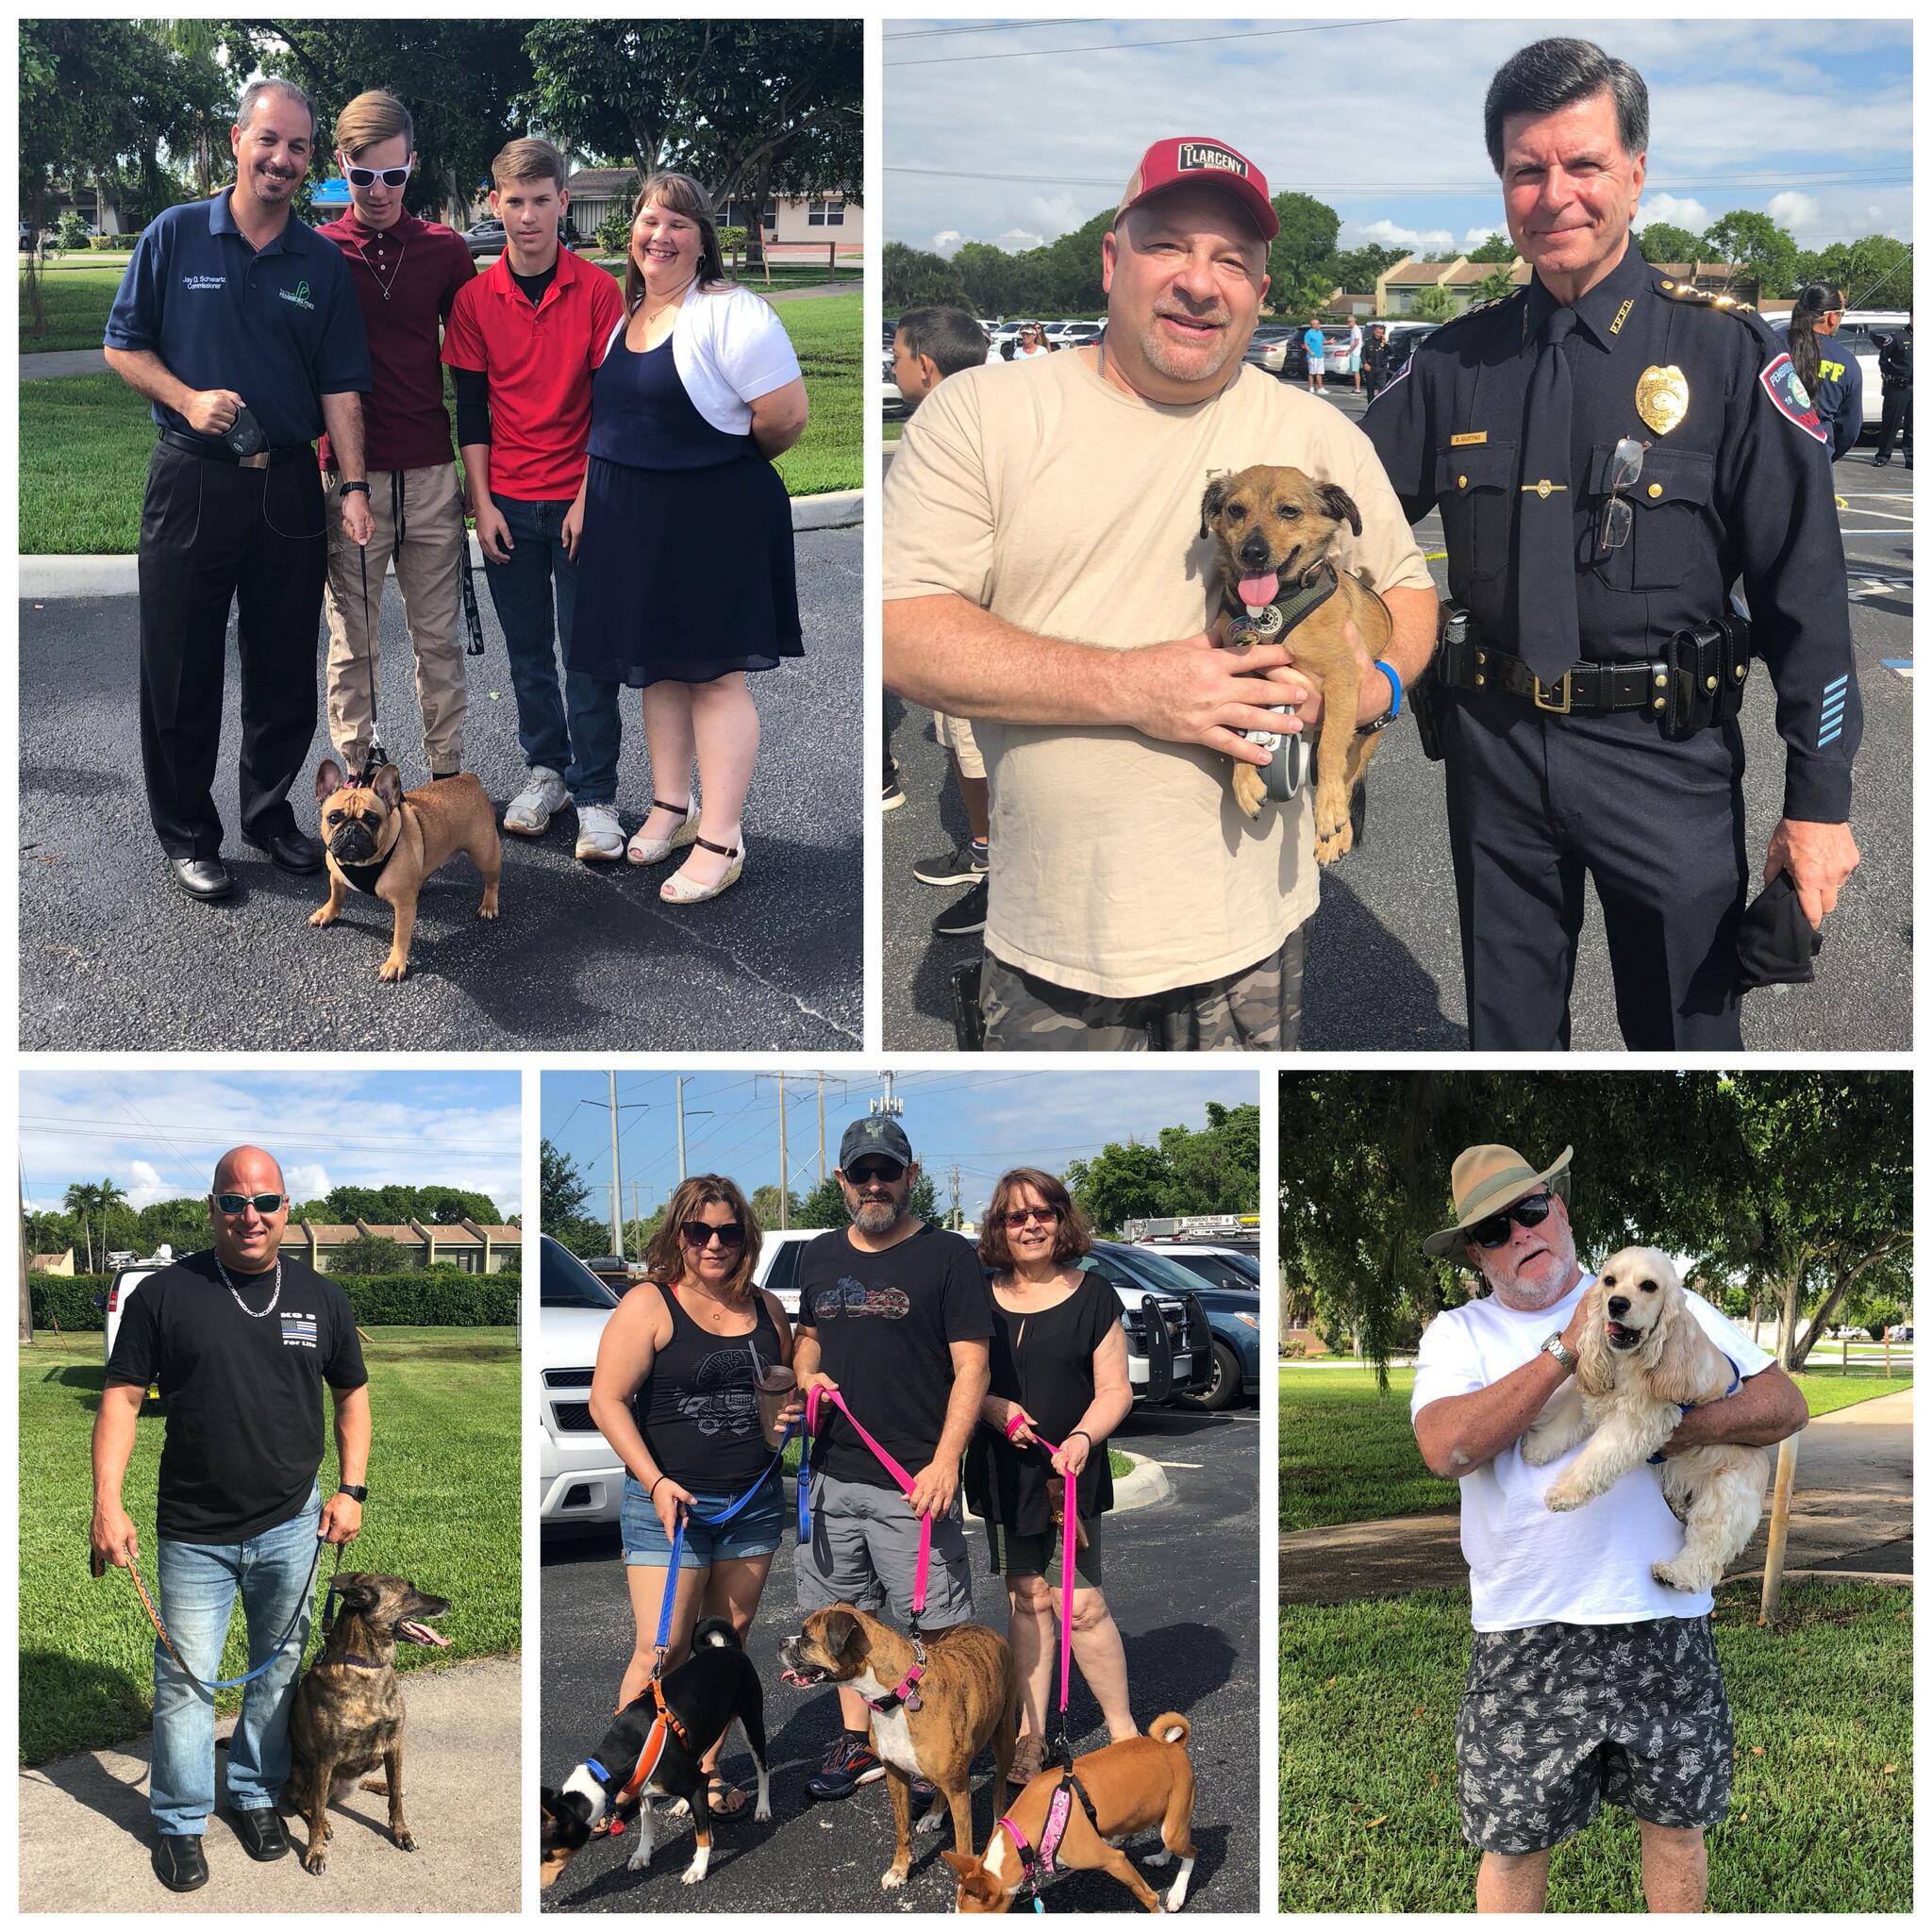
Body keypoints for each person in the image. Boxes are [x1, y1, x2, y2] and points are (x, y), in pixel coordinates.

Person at [882, 134, 1438, 1050]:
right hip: (1053, 946)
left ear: (1259, 289)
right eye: (1167, 245)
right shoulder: (981, 414)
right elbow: (902, 627)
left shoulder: (1310, 431)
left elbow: (1410, 593)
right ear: (1111, 259)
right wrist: (1137, 685)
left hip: (1255, 934)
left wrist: (1367, 692)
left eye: (1230, 259)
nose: (1198, 279)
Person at [1364, 38, 1862, 1051]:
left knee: (1682, 1045)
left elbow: (1803, 596)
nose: (1555, 195)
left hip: (1660, 758)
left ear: (1634, 171)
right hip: (1492, 752)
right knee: (1505, 1052)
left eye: (1582, 164)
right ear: (1501, 182)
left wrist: (1818, 802)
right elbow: (1327, 498)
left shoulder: (1726, 354)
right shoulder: (1453, 363)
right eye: (1525, 169)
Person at [1409, 1141, 1808, 1912]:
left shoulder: (1663, 1299)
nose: (1521, 1234)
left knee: (1678, 1828)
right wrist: (1566, 1349)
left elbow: (1783, 1407)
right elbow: (1446, 1447)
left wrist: (1665, 1432)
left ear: (1559, 1210)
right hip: (1527, 1628)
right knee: (1516, 1843)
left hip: (1664, 1621)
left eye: (1531, 1211)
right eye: (1496, 1230)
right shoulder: (1456, 1335)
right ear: (1475, 1253)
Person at [104, 78, 374, 904]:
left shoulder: (321, 263)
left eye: (297, 148)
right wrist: (185, 398)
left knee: (284, 661)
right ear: (236, 140)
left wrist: (353, 484)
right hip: (191, 478)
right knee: (180, 666)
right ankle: (188, 833)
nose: (281, 160)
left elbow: (340, 388)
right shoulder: (176, 234)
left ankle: (267, 814)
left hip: (289, 482)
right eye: (269, 141)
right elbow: (122, 345)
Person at [92, 1145, 369, 1892]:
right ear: (212, 1207)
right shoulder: (163, 1295)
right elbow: (120, 1398)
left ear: (287, 1209)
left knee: (278, 1669)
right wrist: (106, 1503)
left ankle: (252, 1792)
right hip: (194, 1533)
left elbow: (351, 1396)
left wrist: (353, 1489)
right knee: (187, 1681)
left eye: (266, 1201)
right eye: (234, 1201)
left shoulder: (321, 1297)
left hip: (293, 1524)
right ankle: (180, 1820)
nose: (251, 1215)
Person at [570, 173, 808, 902]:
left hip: (713, 521)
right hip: (629, 520)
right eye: (648, 220)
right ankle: (672, 807)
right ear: (631, 234)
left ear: (704, 239)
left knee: (714, 678)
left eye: (678, 222)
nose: (659, 235)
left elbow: (786, 416)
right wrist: (586, 498)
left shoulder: (732, 313)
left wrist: (717, 472)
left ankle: (721, 837)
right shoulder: (628, 315)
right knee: (657, 669)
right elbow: (609, 429)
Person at [791, 1115, 992, 1799]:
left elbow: (972, 1368)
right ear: (840, 1181)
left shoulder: (948, 1258)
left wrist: (944, 1464)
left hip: (914, 1482)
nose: (873, 1185)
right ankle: (860, 1743)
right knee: (839, 1620)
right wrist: (806, 1374)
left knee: (934, 1624)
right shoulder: (817, 1254)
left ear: (912, 1175)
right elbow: (810, 1338)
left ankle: (943, 1744)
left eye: (888, 1171)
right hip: (831, 1476)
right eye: (860, 1173)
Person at [586, 1174, 799, 1816]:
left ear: (745, 1239)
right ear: (678, 1233)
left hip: (751, 1504)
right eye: (698, 1230)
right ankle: (619, 1783)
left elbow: (776, 1408)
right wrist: (654, 1481)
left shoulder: (767, 1311)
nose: (713, 1244)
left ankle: (703, 1772)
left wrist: (785, 1421)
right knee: (662, 1649)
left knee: (723, 1650)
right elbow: (607, 1399)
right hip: (668, 1508)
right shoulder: (649, 1304)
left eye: (728, 1232)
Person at [441, 139, 626, 857]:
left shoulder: (598, 291)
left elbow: (610, 410)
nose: (527, 217)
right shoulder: (473, 300)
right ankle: (546, 771)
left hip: (581, 500)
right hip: (508, 503)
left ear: (562, 204)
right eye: (513, 202)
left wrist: (587, 496)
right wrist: (481, 504)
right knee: (527, 653)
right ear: (495, 205)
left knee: (588, 653)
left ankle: (597, 794)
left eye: (540, 201)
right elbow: (473, 410)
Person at [317, 90, 476, 782]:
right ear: (340, 166)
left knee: (437, 641)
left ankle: (446, 781)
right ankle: (355, 786)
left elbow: (473, 370)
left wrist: (479, 471)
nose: (377, 192)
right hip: (349, 478)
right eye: (361, 175)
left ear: (412, 165)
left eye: (392, 175)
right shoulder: (318, 253)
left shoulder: (444, 251)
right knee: (354, 645)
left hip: (432, 474)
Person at [965, 1168, 1135, 1777]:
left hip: (1070, 1473)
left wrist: (1085, 1436)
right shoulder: (977, 1296)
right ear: (999, 1228)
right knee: (1028, 1600)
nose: (1031, 1225)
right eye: (1017, 1216)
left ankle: (1123, 1738)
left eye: (1043, 1213)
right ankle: (1031, 1738)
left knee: (1082, 1604)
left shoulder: (1094, 1295)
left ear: (1062, 1221)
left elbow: (1116, 1389)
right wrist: (993, 1409)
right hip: (1003, 1473)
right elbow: (957, 1380)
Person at [891, 304, 999, 940]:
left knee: (974, 748)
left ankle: (991, 864)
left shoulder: (940, 429)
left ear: (924, 366)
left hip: (967, 622)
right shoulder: (1002, 411)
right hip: (1002, 620)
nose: (896, 368)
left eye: (899, 358)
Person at [1785, 282, 1862, 464]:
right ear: (1832, 318)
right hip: (1817, 459)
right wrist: (1828, 454)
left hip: (1768, 458)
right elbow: (1850, 430)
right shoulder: (1846, 362)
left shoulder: (1771, 345)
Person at [1874, 313, 1911, 467]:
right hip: (1898, 387)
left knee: (1913, 426)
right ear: (1911, 318)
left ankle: (1911, 459)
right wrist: (1894, 374)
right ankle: (1883, 456)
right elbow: (1884, 360)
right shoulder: (1897, 337)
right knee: (1891, 423)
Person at [1361, 322, 1394, 403]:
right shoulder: (1368, 342)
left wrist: (1386, 343)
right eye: (1377, 332)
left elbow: (1392, 352)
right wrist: (1365, 363)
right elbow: (1363, 354)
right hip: (1370, 368)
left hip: (1381, 369)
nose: (1378, 334)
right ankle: (1370, 407)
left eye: (1381, 333)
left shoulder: (1383, 343)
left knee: (1382, 389)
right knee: (1370, 389)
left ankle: (1380, 407)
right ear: (1374, 331)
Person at [1302, 317, 1325, 391]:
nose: (1319, 325)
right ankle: (1311, 388)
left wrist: (1329, 342)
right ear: (1313, 325)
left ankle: (1320, 388)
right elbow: (1306, 344)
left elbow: (1323, 342)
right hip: (1312, 356)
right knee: (1312, 372)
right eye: (1318, 324)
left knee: (1319, 372)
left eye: (1319, 323)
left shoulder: (1320, 332)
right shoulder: (1309, 333)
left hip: (1320, 355)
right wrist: (1310, 352)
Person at [1344, 316, 1365, 393]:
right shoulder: (1353, 330)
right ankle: (1356, 387)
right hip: (1353, 353)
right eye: (1347, 321)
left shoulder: (1356, 330)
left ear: (1354, 322)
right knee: (1354, 371)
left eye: (1349, 321)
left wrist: (1349, 350)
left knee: (1356, 371)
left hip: (1356, 353)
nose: (1348, 323)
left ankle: (1358, 389)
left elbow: (1356, 342)